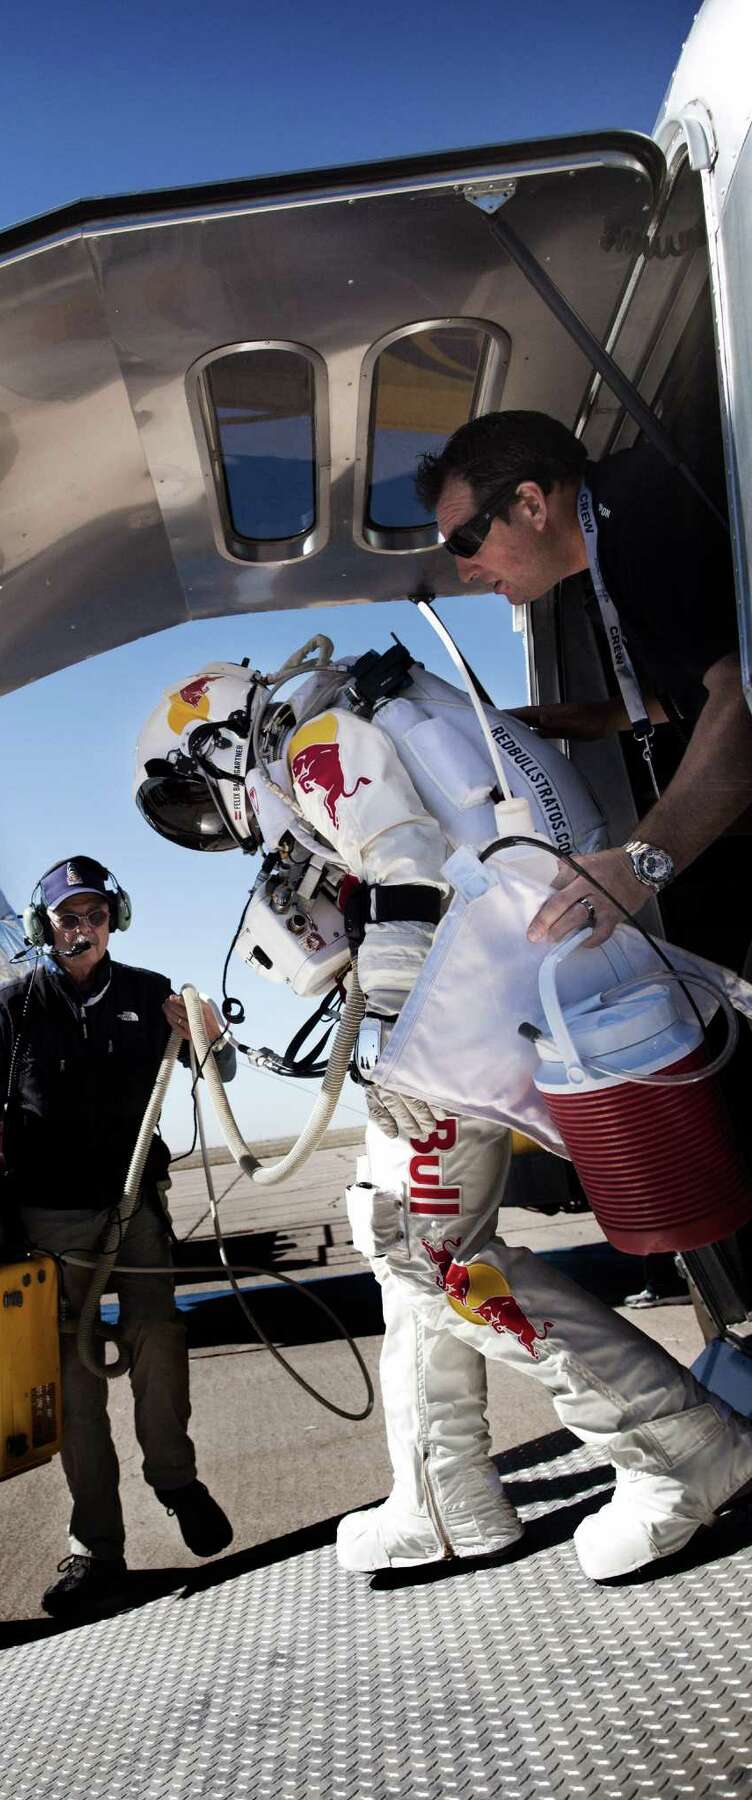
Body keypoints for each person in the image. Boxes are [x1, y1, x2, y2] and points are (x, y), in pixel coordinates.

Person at [134, 649, 752, 1583]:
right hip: (520, 989)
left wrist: (390, 1034)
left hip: (463, 1017)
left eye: (194, 794)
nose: (211, 819)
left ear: (220, 741)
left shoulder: (315, 745)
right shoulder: (383, 705)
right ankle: (441, 1498)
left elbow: (407, 866)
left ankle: (679, 1448)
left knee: (435, 1251)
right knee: (401, 1240)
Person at [0, 855, 235, 1619]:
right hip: (49, 1218)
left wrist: (208, 1035)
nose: (83, 929)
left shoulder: (153, 995)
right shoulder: (14, 1006)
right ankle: (98, 1549)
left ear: (115, 919)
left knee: (159, 1338)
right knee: (72, 1380)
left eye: (95, 915)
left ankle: (176, 1482)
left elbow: (224, 1073)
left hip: (134, 1208)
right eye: (67, 918)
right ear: (41, 928)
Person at [413, 409, 752, 952]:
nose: (463, 571)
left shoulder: (643, 513)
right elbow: (708, 678)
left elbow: (742, 694)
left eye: (465, 541)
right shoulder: (609, 561)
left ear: (530, 503)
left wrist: (639, 866)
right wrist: (604, 716)